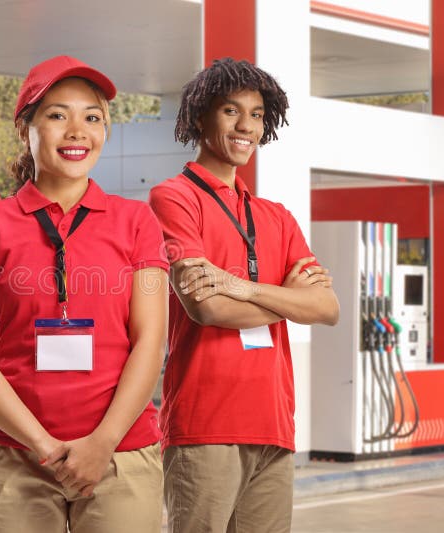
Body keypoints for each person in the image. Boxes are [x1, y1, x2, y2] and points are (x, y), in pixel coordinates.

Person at [0, 55, 168, 533]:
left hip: (121, 454)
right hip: (15, 458)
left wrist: (102, 444)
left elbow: (150, 342)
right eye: (57, 115)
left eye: (92, 118)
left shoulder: (138, 222)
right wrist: (45, 447)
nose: (77, 132)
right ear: (24, 128)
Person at [148, 57, 340, 533]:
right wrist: (286, 298)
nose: (246, 127)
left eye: (256, 115)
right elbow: (207, 307)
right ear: (200, 118)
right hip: (205, 425)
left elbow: (326, 308)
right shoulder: (174, 197)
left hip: (274, 424)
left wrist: (242, 286)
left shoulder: (277, 216)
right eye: (231, 111)